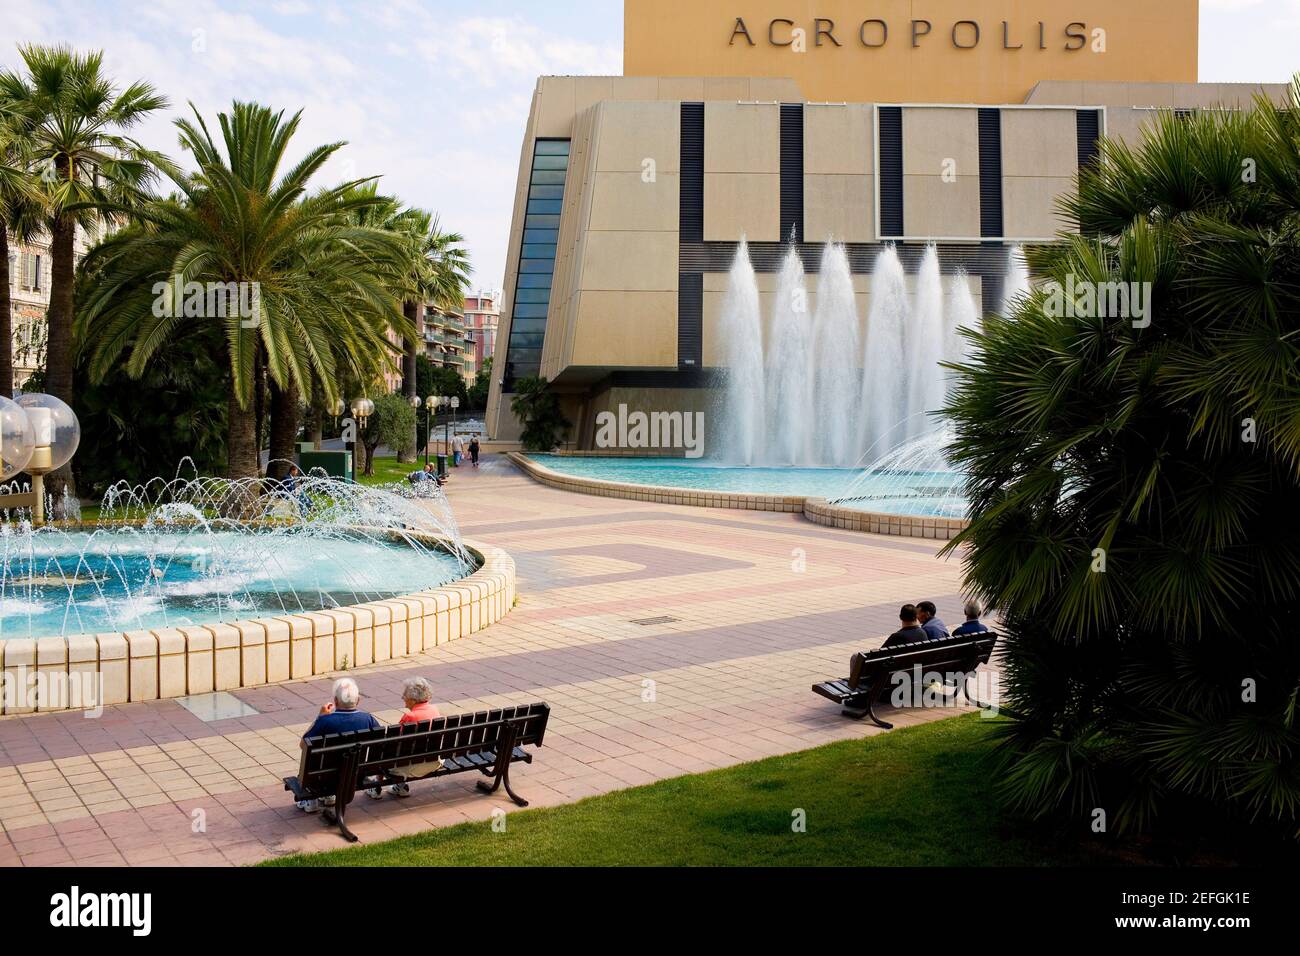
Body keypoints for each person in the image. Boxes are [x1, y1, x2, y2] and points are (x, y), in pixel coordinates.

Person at [297, 678, 381, 812]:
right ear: (358, 700)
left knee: (314, 758)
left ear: (335, 701)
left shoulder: (325, 721)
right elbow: (380, 743)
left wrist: (319, 717)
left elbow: (303, 745)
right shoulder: (368, 719)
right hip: (357, 775)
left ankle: (313, 799)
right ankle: (329, 796)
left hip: (325, 778)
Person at [367, 676, 443, 800]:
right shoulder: (434, 710)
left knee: (382, 749)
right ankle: (401, 787)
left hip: (411, 766)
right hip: (432, 761)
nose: (403, 698)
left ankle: (376, 787)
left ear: (413, 699)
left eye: (404, 696)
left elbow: (395, 742)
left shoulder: (410, 716)